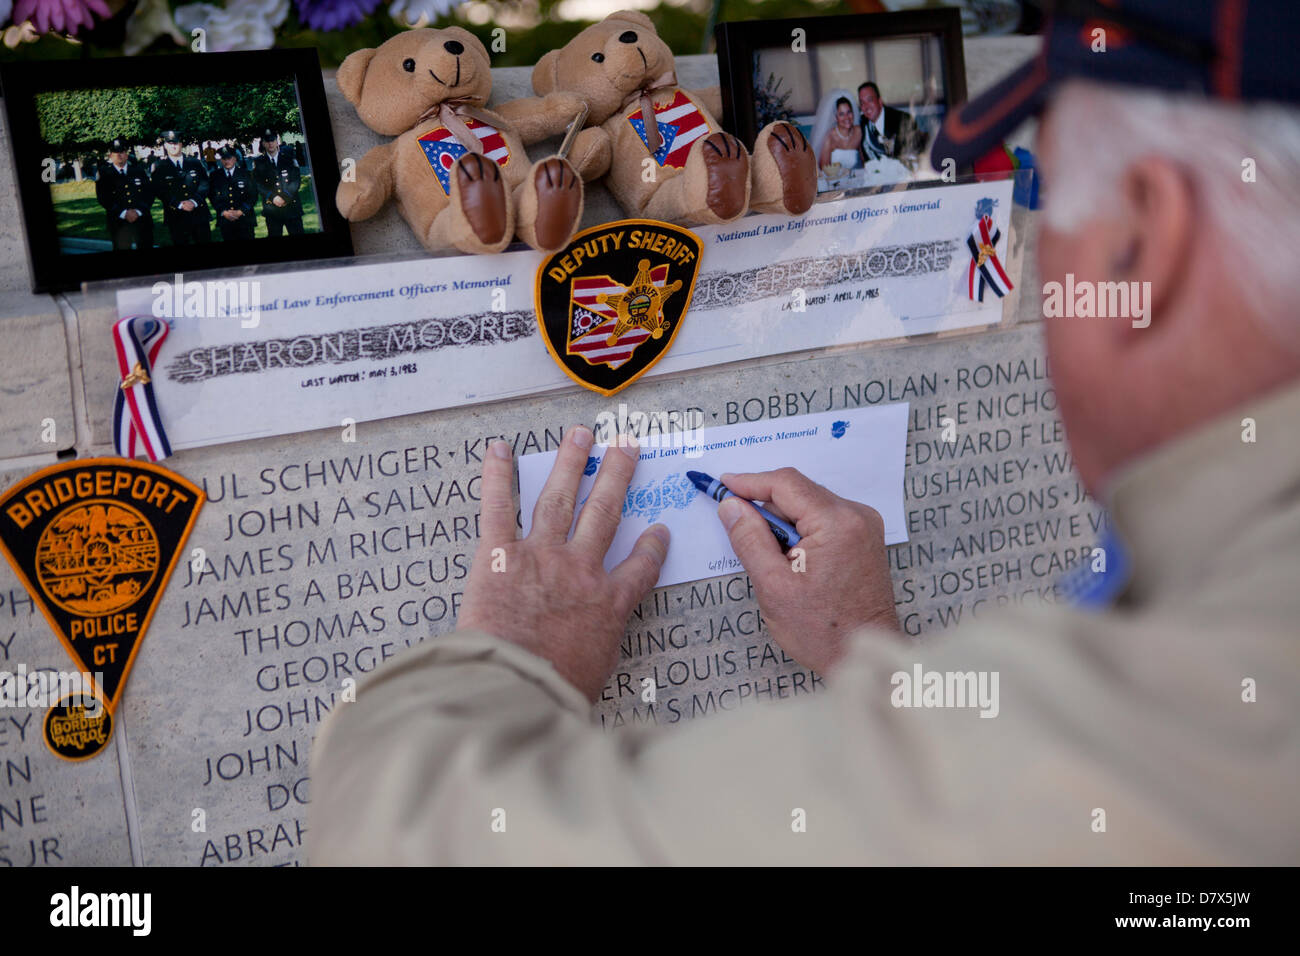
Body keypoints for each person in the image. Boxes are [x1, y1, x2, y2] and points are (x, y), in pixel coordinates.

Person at [309, 0, 1300, 864]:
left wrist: (503, 656)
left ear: (1142, 246)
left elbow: (401, 836)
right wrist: (883, 667)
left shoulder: (1177, 720)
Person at [149, 129, 211, 245]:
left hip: (199, 214)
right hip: (175, 216)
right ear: (165, 145)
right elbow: (159, 190)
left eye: (176, 143)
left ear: (181, 144)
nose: (173, 146)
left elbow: (205, 184)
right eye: (170, 143)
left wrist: (194, 201)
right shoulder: (159, 167)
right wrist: (178, 204)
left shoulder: (195, 163)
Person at [93, 136, 154, 251]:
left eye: (122, 151)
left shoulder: (138, 171)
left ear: (126, 154)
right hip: (118, 223)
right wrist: (123, 213)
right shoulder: (105, 174)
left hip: (142, 220)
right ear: (110, 155)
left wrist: (138, 211)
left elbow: (149, 193)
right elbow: (103, 198)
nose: (119, 155)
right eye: (115, 152)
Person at [252, 129, 304, 237]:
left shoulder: (289, 159)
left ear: (277, 141)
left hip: (292, 208)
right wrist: (273, 198)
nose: (270, 144)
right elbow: (257, 184)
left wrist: (285, 197)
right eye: (267, 141)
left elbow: (296, 180)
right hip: (272, 211)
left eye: (272, 140)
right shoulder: (258, 163)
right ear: (263, 143)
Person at [858, 81, 922, 162]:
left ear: (880, 101)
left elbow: (916, 152)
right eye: (862, 103)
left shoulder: (904, 120)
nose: (866, 107)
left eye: (870, 100)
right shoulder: (862, 123)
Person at [208, 145, 257, 242]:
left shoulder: (246, 174)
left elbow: (253, 195)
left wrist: (240, 211)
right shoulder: (215, 176)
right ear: (221, 160)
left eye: (229, 158)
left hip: (245, 219)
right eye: (224, 158)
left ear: (235, 159)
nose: (227, 161)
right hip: (225, 220)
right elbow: (212, 196)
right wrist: (224, 211)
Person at [809, 91, 863, 170]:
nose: (847, 117)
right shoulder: (829, 137)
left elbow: (866, 162)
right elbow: (824, 169)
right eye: (841, 114)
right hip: (834, 180)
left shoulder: (858, 132)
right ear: (835, 117)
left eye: (849, 112)